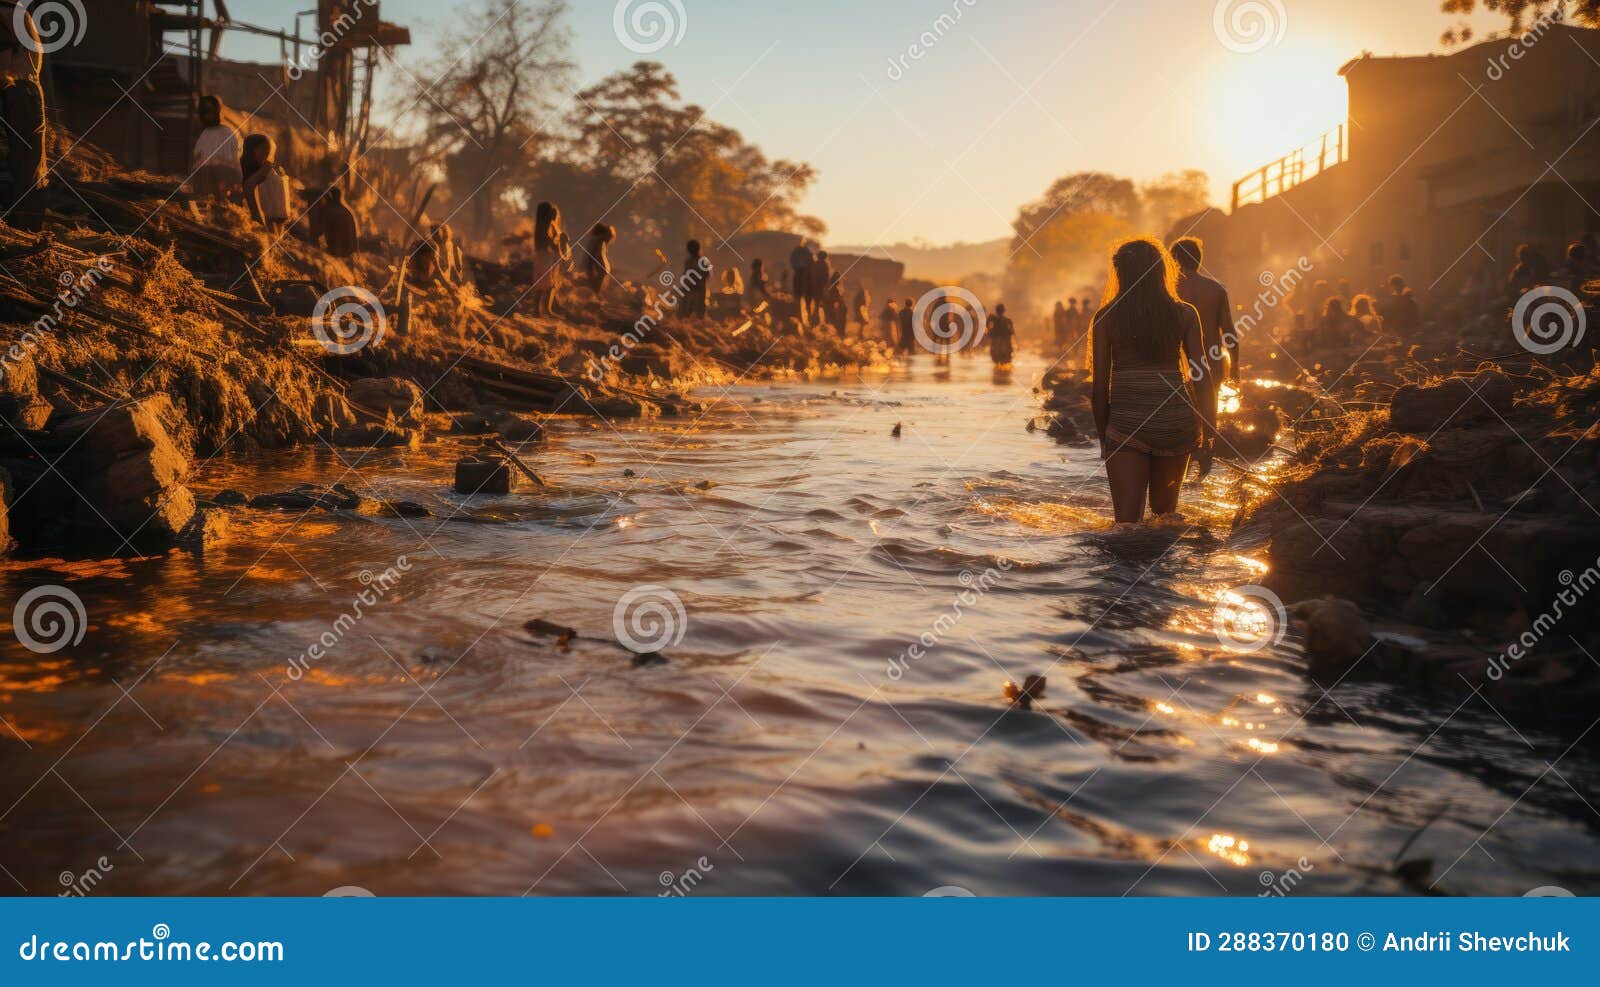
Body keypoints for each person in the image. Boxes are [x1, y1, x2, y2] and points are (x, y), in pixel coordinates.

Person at [1090, 237, 1214, 524]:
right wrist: (1210, 432)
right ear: (1161, 270)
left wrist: (1104, 438)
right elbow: (1202, 377)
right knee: (1164, 517)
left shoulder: (1106, 317)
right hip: (1176, 424)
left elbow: (1099, 389)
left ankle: (1125, 571)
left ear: (1120, 272)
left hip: (1128, 425)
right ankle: (1164, 568)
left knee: (1127, 524)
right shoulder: (1184, 313)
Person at [0, 1, 46, 227]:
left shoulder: (8, 15)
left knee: (25, 166)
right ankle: (25, 224)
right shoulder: (17, 13)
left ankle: (21, 226)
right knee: (29, 165)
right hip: (26, 91)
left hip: (18, 91)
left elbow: (5, 62)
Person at [1169, 237, 1239, 384]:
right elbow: (1228, 330)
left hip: (1178, 369)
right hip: (1211, 365)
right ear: (1198, 260)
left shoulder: (1168, 291)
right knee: (1211, 406)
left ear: (1174, 261)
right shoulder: (1216, 290)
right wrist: (1234, 365)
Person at [190, 95, 241, 200]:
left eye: (212, 111)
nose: (208, 116)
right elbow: (197, 163)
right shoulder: (203, 135)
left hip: (223, 183)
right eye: (205, 112)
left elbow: (233, 162)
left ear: (217, 111)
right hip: (205, 186)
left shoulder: (227, 132)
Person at [240, 134, 291, 231]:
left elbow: (278, 212)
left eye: (267, 150)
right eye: (262, 149)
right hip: (252, 225)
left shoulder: (268, 172)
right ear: (251, 149)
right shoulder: (241, 170)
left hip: (268, 225)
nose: (266, 153)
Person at [531, 201, 568, 316]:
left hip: (546, 257)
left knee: (547, 284)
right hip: (543, 257)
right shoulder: (543, 226)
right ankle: (537, 310)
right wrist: (557, 240)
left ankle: (543, 310)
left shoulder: (546, 225)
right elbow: (547, 242)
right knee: (542, 284)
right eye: (550, 211)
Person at [314, 185, 360, 258]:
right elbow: (355, 235)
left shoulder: (329, 210)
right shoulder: (347, 211)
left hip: (337, 249)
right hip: (346, 250)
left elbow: (321, 229)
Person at [580, 223, 616, 298]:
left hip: (592, 266)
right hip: (595, 267)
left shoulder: (595, 240)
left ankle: (592, 299)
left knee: (593, 284)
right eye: (609, 235)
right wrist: (603, 267)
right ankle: (592, 299)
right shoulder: (600, 241)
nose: (610, 238)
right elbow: (598, 255)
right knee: (595, 285)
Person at [680, 239, 712, 317]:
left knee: (698, 312)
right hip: (692, 290)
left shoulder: (702, 261)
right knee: (690, 311)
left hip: (697, 290)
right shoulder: (690, 261)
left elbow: (707, 274)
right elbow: (708, 275)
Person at [789, 241, 815, 324]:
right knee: (808, 302)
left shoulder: (796, 252)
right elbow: (812, 265)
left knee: (798, 300)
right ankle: (809, 320)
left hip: (798, 278)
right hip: (807, 279)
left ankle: (800, 319)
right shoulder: (808, 254)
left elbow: (792, 263)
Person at [810, 250, 835, 327]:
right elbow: (826, 278)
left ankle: (814, 322)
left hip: (814, 288)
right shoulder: (824, 265)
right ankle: (824, 322)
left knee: (815, 306)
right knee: (825, 306)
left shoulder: (814, 264)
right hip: (821, 288)